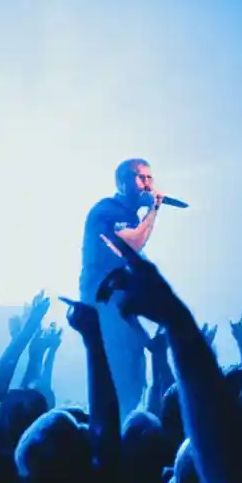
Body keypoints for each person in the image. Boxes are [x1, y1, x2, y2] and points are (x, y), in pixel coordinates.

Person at [78, 158, 165, 412]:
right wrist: (154, 209)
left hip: (122, 314)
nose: (147, 185)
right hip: (105, 309)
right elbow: (133, 244)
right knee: (119, 384)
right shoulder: (107, 211)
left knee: (135, 383)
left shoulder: (126, 216)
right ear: (121, 182)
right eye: (140, 178)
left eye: (150, 178)